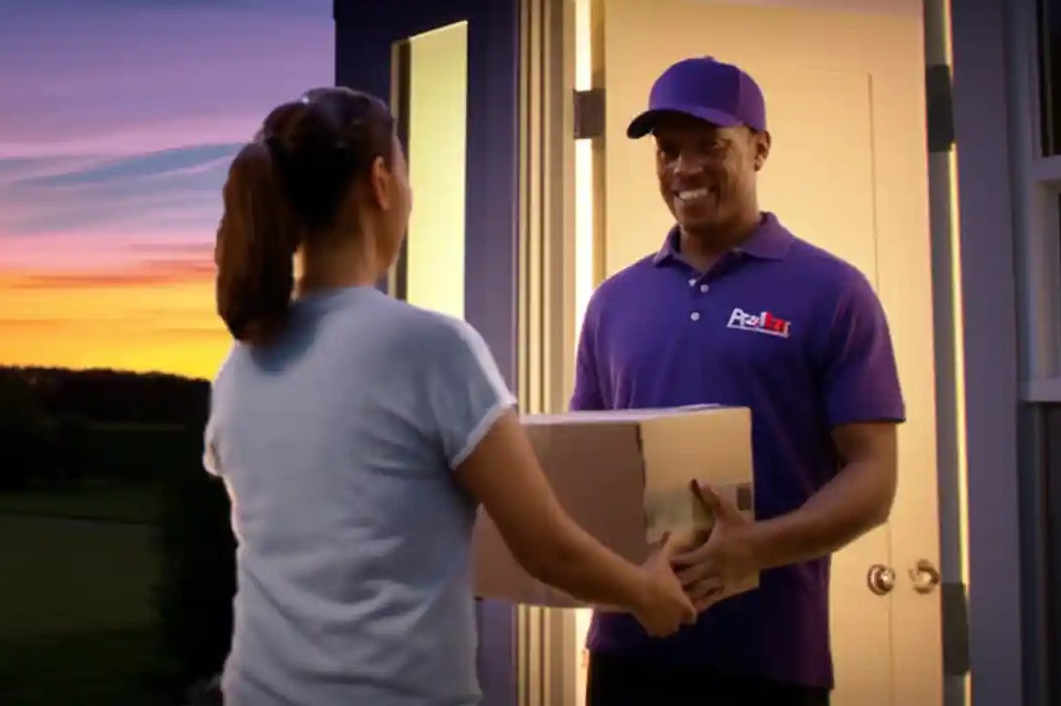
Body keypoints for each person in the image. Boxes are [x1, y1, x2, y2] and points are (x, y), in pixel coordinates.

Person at [203, 86, 696, 706]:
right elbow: (547, 548)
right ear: (381, 182)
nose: (409, 195)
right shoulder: (429, 349)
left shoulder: (238, 369)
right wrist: (646, 593)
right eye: (406, 174)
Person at [572, 57, 904, 706]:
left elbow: (873, 477)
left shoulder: (833, 293)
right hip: (626, 649)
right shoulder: (614, 301)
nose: (684, 169)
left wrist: (755, 549)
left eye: (709, 146)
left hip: (770, 660)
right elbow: (588, 463)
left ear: (759, 149)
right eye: (668, 151)